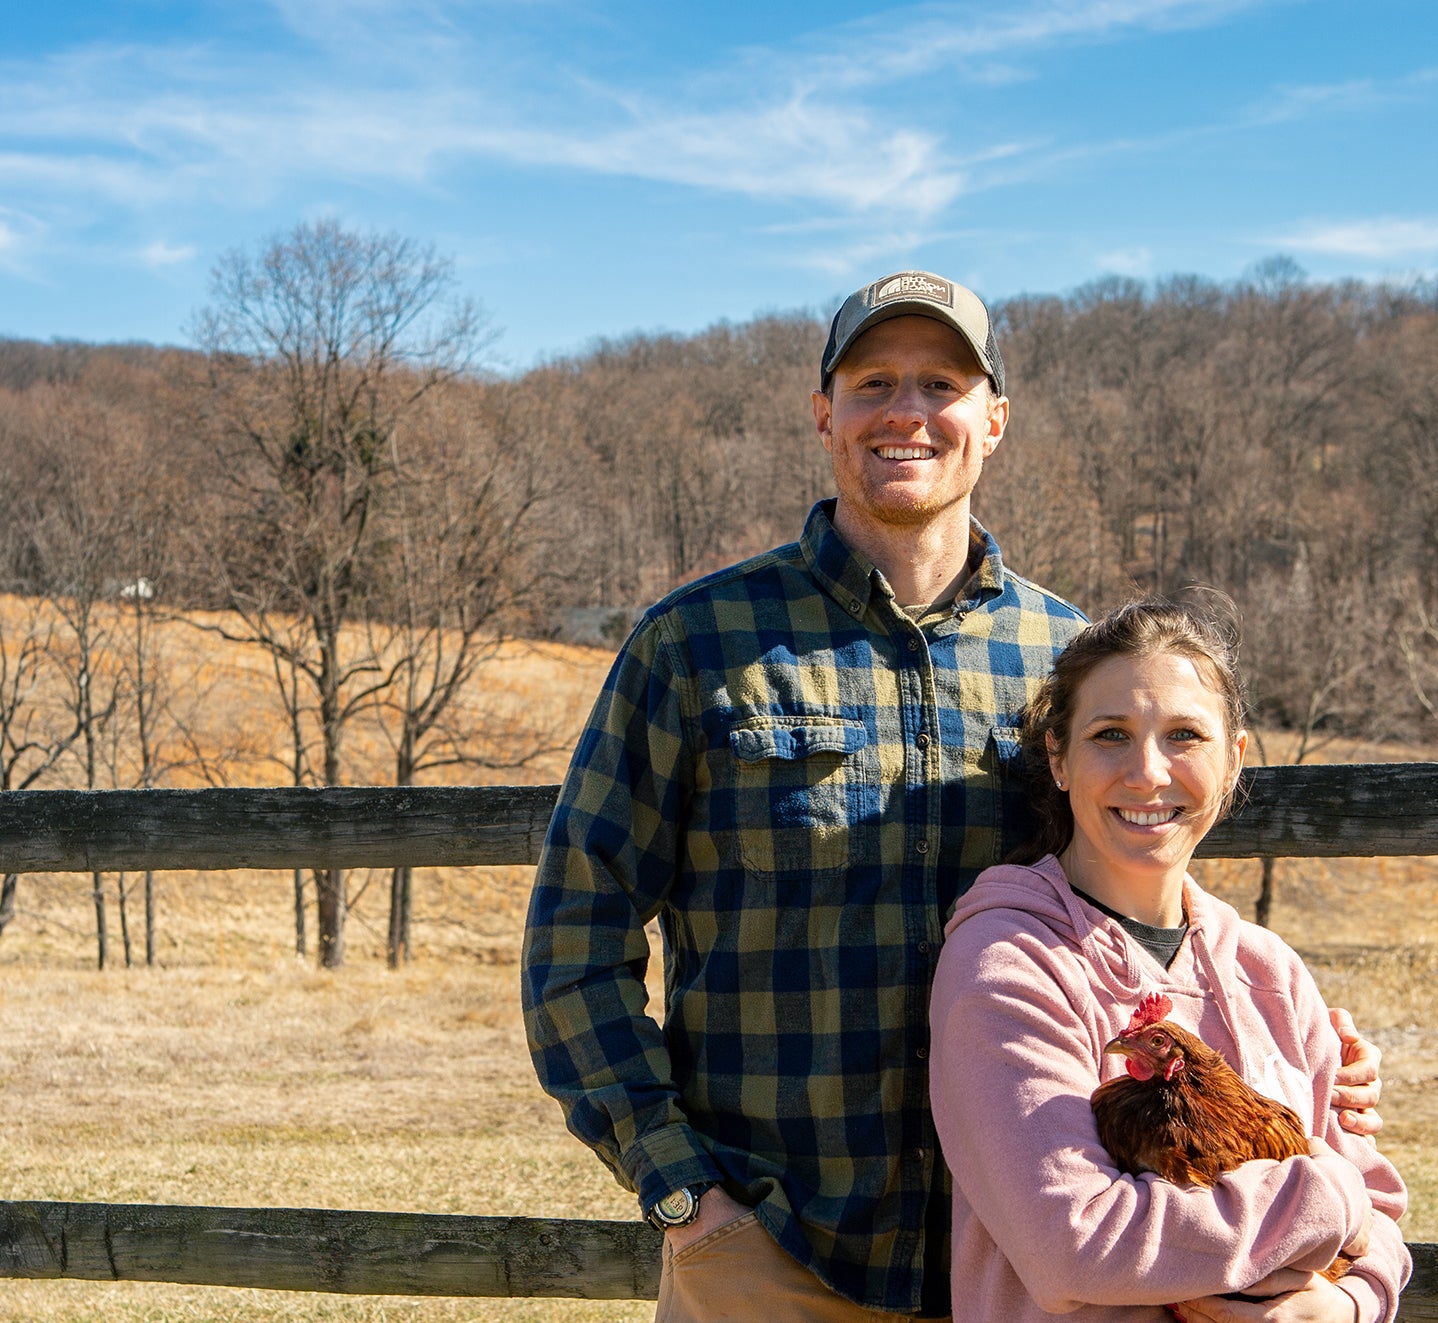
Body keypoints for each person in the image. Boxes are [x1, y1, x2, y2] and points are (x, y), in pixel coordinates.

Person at [520, 270, 1384, 1322]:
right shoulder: (696, 646)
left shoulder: (1072, 661)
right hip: (775, 1243)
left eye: (942, 382)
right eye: (874, 380)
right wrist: (682, 1191)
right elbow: (576, 935)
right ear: (822, 412)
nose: (907, 412)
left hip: (1035, 1261)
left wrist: (1287, 1053)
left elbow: (1131, 903)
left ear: (994, 419)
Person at [927, 599, 1409, 1322]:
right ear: (1058, 757)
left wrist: (1342, 1306)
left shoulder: (1270, 972)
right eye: (1110, 734)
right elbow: (1076, 1241)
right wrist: (1329, 1197)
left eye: (1185, 734)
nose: (1149, 772)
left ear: (1232, 762)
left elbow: (1382, 1215)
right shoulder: (1007, 963)